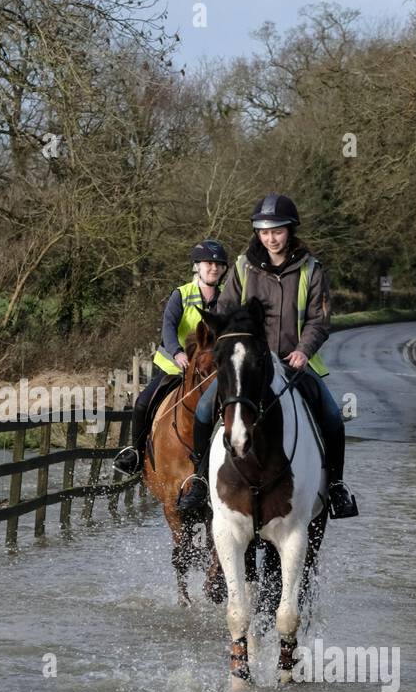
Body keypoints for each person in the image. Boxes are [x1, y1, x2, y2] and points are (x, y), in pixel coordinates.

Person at [175, 193, 359, 519]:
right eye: (263, 231)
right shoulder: (243, 267)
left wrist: (303, 352)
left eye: (277, 231)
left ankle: (336, 487)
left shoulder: (312, 270)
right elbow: (225, 310)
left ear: (290, 230)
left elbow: (320, 319)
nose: (270, 238)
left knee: (331, 415)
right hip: (249, 365)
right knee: (205, 408)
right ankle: (200, 481)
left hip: (294, 363)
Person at [113, 240, 229, 475]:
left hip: (211, 371)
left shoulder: (227, 299)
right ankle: (135, 453)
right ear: (197, 266)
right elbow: (168, 326)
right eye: (209, 263)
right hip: (175, 368)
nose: (214, 268)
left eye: (219, 265)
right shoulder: (181, 294)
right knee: (143, 402)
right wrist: (177, 352)